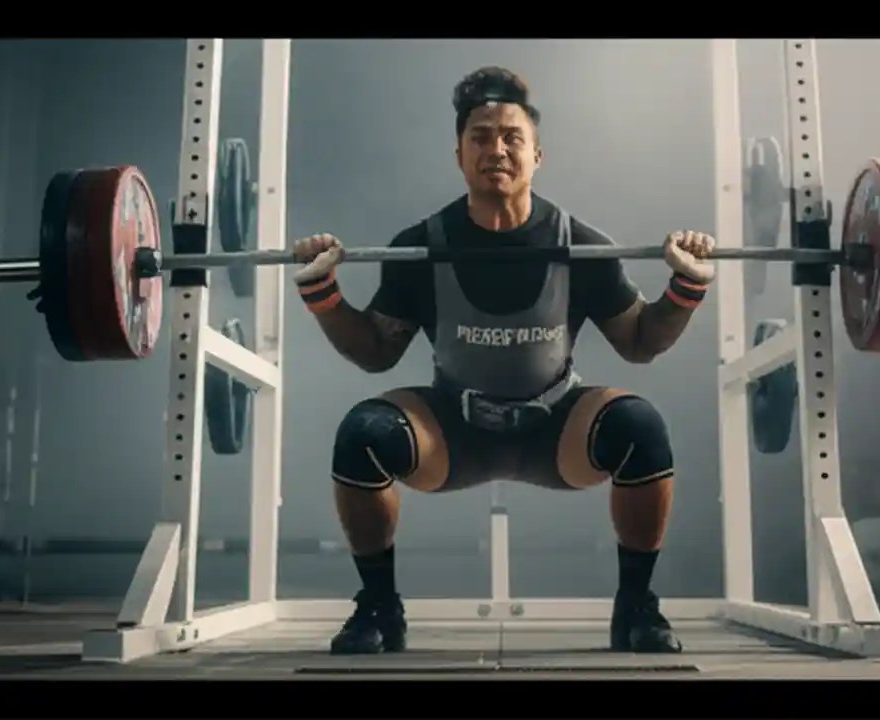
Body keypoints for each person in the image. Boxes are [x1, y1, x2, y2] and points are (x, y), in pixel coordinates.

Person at [289, 66, 716, 656]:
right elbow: (375, 353)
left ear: (537, 153)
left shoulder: (581, 243)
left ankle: (636, 608)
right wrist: (323, 294)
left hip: (556, 431)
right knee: (363, 433)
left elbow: (639, 341)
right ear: (459, 155)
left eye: (511, 137)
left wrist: (685, 289)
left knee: (640, 427)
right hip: (452, 432)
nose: (497, 148)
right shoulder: (421, 244)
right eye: (481, 137)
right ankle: (380, 609)